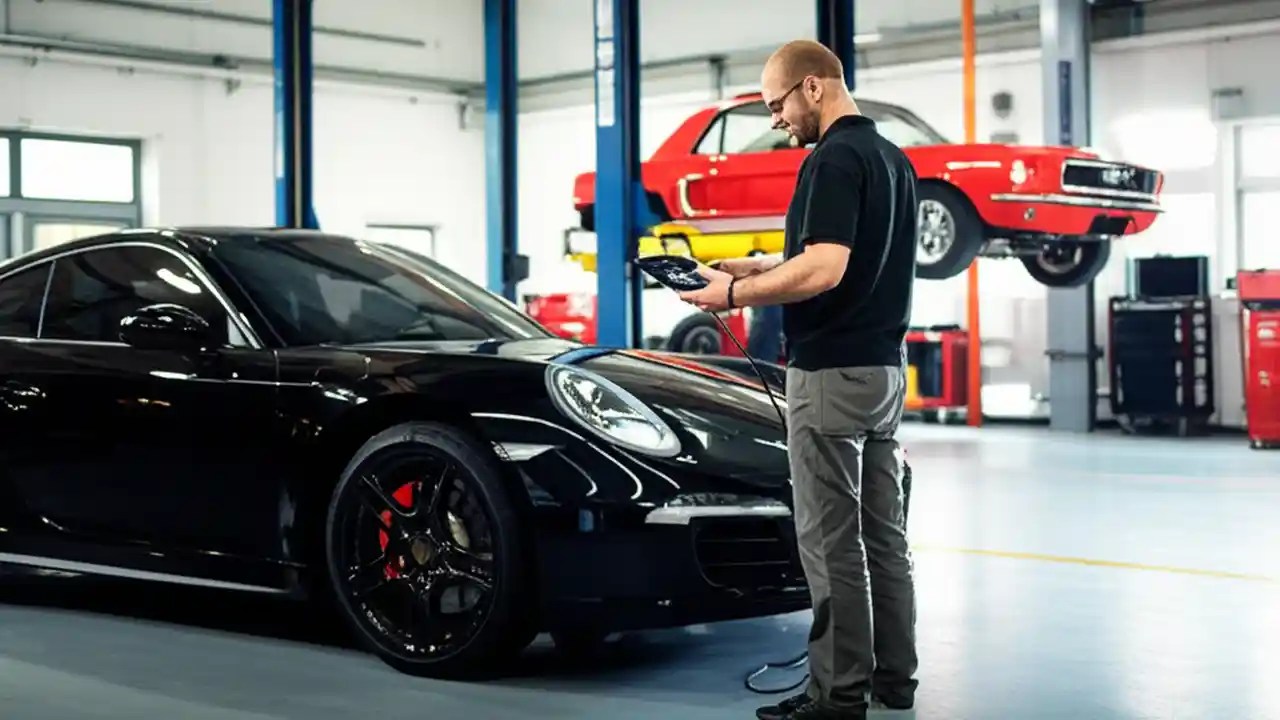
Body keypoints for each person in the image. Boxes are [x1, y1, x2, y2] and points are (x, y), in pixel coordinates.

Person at [678, 39, 919, 720]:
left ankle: (836, 698)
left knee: (830, 541)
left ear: (813, 87)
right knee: (884, 538)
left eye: (776, 104)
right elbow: (845, 257)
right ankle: (894, 681)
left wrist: (732, 296)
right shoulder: (893, 160)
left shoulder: (832, 159)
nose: (777, 120)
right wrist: (756, 267)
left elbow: (825, 269)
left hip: (831, 375)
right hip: (882, 373)